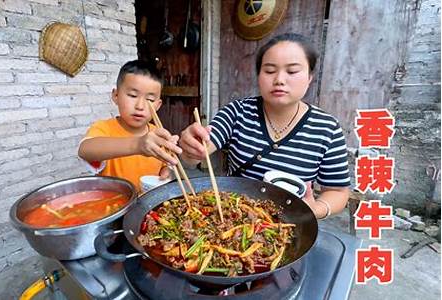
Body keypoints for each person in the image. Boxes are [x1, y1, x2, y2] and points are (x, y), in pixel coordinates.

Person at [179, 33, 350, 219]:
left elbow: (338, 191)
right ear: (258, 75)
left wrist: (315, 209)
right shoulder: (237, 112)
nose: (279, 80)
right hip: (232, 217)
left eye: (292, 71)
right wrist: (192, 148)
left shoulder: (327, 128)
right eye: (269, 71)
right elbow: (204, 144)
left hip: (289, 223)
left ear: (309, 77)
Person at [78, 60, 181, 191]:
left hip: (149, 205)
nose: (140, 106)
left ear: (158, 105)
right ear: (116, 95)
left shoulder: (158, 134)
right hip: (116, 205)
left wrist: (166, 172)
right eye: (132, 95)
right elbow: (84, 150)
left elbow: (165, 166)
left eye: (149, 100)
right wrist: (138, 145)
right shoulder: (104, 128)